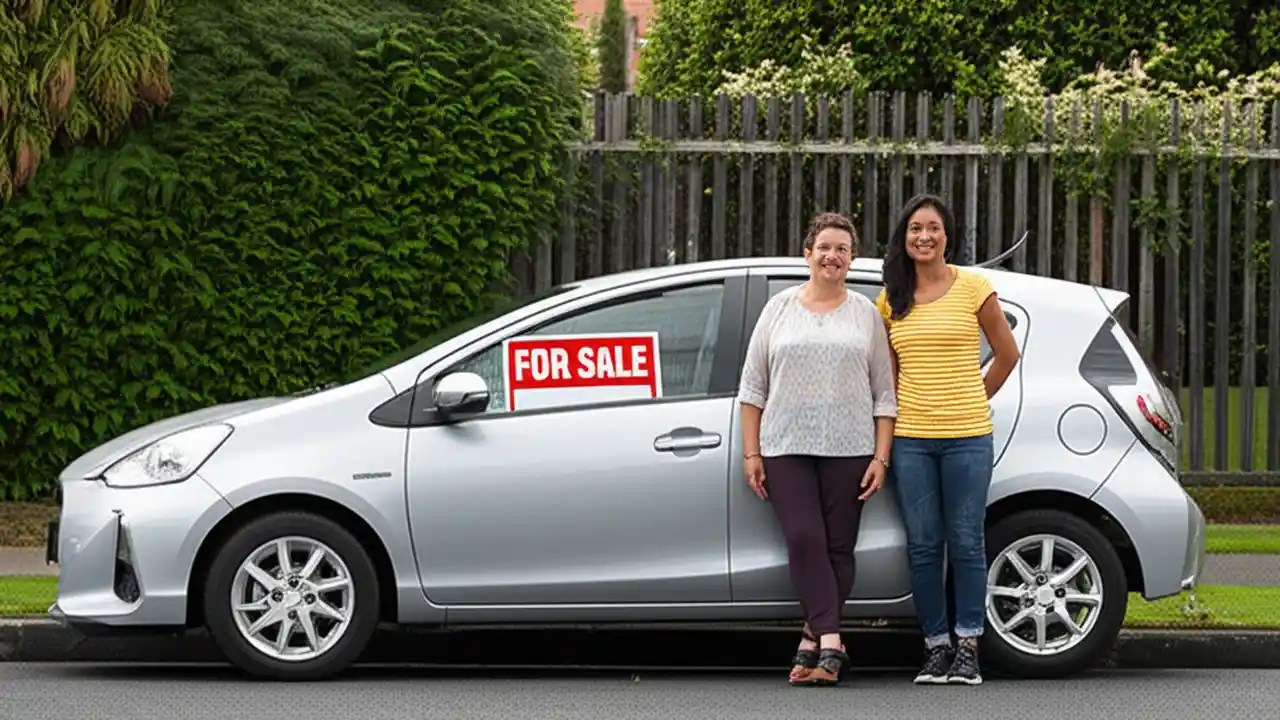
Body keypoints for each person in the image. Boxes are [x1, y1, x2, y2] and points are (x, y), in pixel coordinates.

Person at [737, 211, 897, 686]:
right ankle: (833, 640)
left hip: (850, 447)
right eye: (824, 247)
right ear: (807, 253)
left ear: (852, 258)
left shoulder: (866, 315)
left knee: (838, 548)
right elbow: (752, 388)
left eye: (842, 249)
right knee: (805, 540)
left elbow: (884, 393)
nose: (832, 256)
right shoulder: (778, 309)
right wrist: (752, 453)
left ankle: (812, 641)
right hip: (785, 445)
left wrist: (880, 457)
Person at [875, 193, 1020, 686]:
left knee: (966, 542)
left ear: (946, 235)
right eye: (915, 228)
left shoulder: (974, 286)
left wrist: (975, 396)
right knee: (923, 546)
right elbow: (888, 380)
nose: (924, 236)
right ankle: (936, 646)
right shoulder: (890, 298)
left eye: (933, 228)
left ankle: (968, 647)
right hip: (912, 440)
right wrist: (889, 438)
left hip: (967, 438)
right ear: (905, 235)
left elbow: (1006, 353)